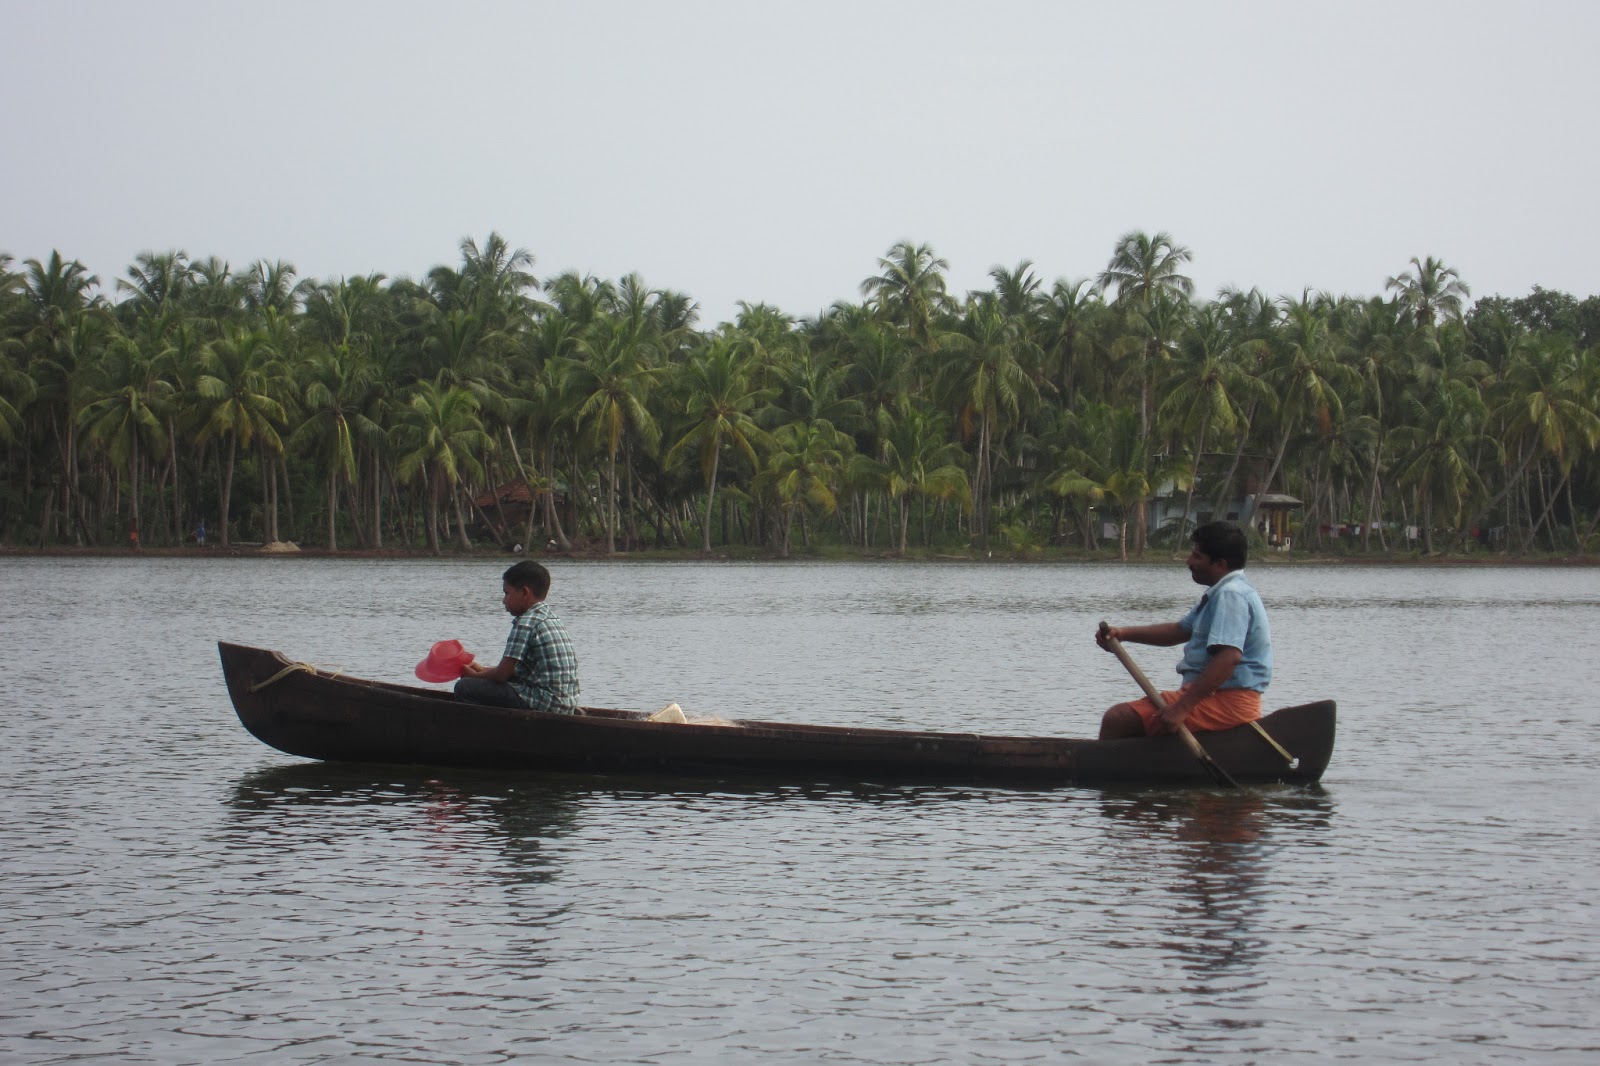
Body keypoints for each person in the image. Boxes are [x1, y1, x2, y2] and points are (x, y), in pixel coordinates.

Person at [1094, 520, 1271, 740]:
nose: (1189, 561)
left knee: (1118, 718)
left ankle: (1106, 773)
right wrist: (1122, 634)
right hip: (1211, 697)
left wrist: (1182, 708)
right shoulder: (1220, 593)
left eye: (1197, 556)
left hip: (1228, 701)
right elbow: (1179, 630)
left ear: (1220, 564)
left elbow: (1229, 657)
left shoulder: (1231, 594)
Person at [455, 560, 581, 713]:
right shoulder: (551, 618)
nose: (503, 600)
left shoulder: (526, 623)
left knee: (465, 687)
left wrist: (473, 676)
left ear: (524, 592)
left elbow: (502, 675)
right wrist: (482, 671)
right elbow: (517, 671)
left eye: (507, 593)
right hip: (565, 704)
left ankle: (489, 732)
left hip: (545, 702)